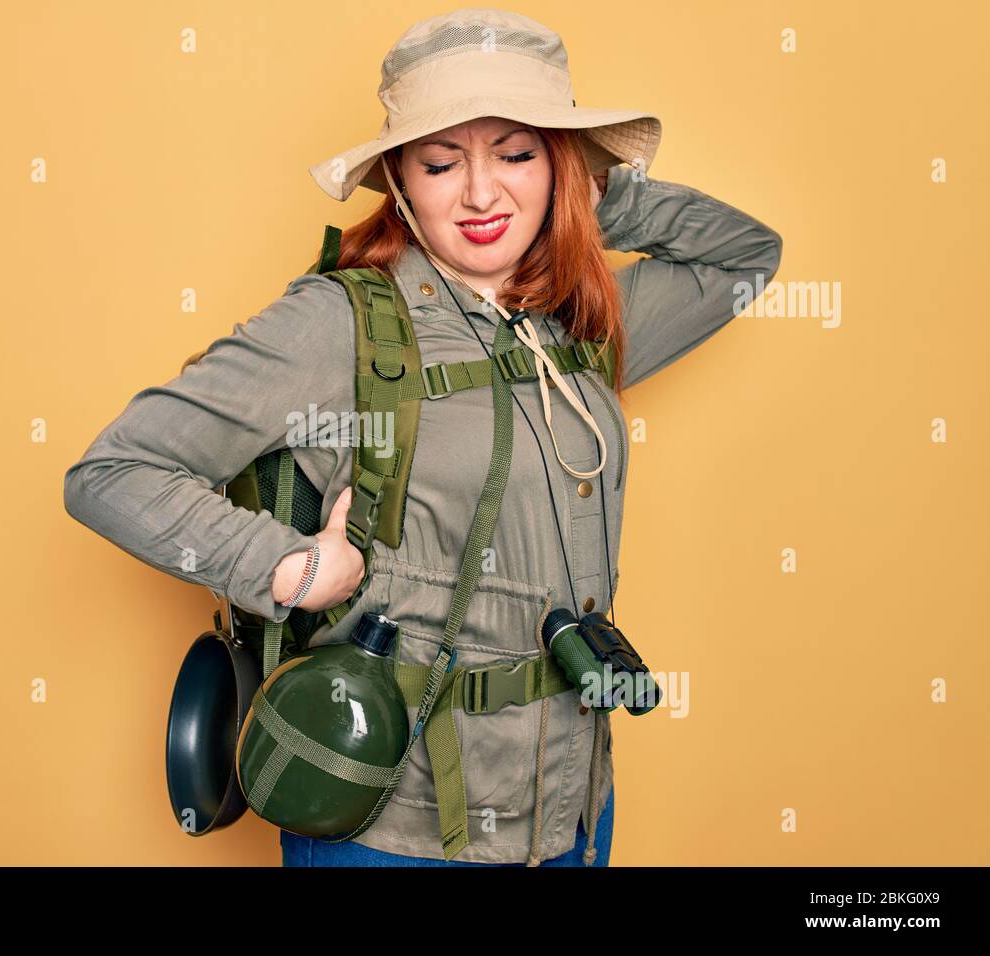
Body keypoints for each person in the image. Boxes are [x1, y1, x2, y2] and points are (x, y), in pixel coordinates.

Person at [63, 7, 782, 867]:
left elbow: (747, 258)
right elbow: (111, 471)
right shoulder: (339, 325)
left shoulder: (578, 322)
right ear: (401, 181)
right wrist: (285, 570)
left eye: (517, 154)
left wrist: (591, 193)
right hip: (395, 825)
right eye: (443, 163)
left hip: (572, 810)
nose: (481, 195)